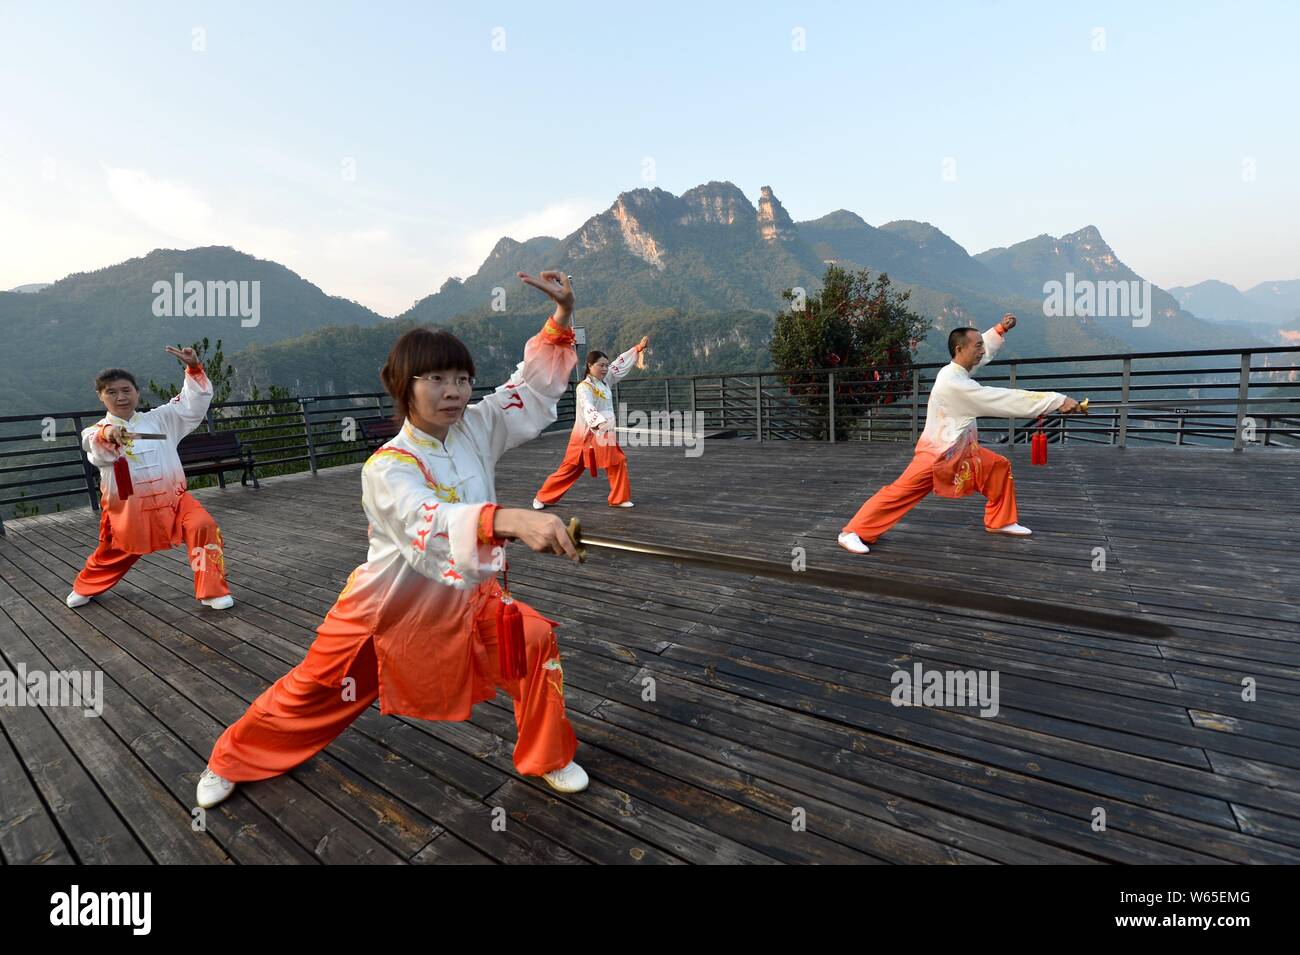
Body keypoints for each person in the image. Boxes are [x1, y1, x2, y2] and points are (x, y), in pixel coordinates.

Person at [197, 271, 589, 809]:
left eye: (461, 378)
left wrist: (561, 317)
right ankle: (232, 758)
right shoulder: (387, 467)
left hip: (468, 599)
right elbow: (423, 521)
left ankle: (547, 755)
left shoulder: (476, 425)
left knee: (536, 642)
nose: (453, 391)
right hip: (386, 608)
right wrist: (511, 521)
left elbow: (531, 388)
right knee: (315, 689)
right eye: (435, 379)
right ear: (403, 386)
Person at [838, 314, 1079, 553]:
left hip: (962, 449)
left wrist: (999, 330)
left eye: (982, 345)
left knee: (998, 467)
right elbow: (1004, 399)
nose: (982, 350)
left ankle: (1000, 520)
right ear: (959, 349)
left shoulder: (956, 371)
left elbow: (978, 348)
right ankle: (853, 532)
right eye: (978, 346)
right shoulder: (956, 384)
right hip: (938, 454)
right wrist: (1056, 400)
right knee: (900, 493)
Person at [66, 347, 233, 610]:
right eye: (111, 392)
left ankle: (212, 590)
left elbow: (192, 404)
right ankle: (85, 585)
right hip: (129, 507)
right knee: (115, 552)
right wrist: (108, 434)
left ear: (137, 392)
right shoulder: (95, 430)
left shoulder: (161, 419)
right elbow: (92, 444)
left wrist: (194, 368)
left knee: (204, 526)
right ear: (100, 396)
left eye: (126, 390)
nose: (121, 397)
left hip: (175, 500)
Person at [533, 336, 648, 509]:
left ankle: (619, 498)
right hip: (585, 435)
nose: (605, 369)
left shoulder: (606, 380)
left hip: (604, 433)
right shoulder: (584, 387)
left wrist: (637, 349)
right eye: (601, 365)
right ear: (589, 366)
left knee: (617, 462)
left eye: (606, 365)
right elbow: (587, 407)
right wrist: (599, 422)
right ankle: (542, 497)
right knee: (570, 469)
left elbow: (619, 364)